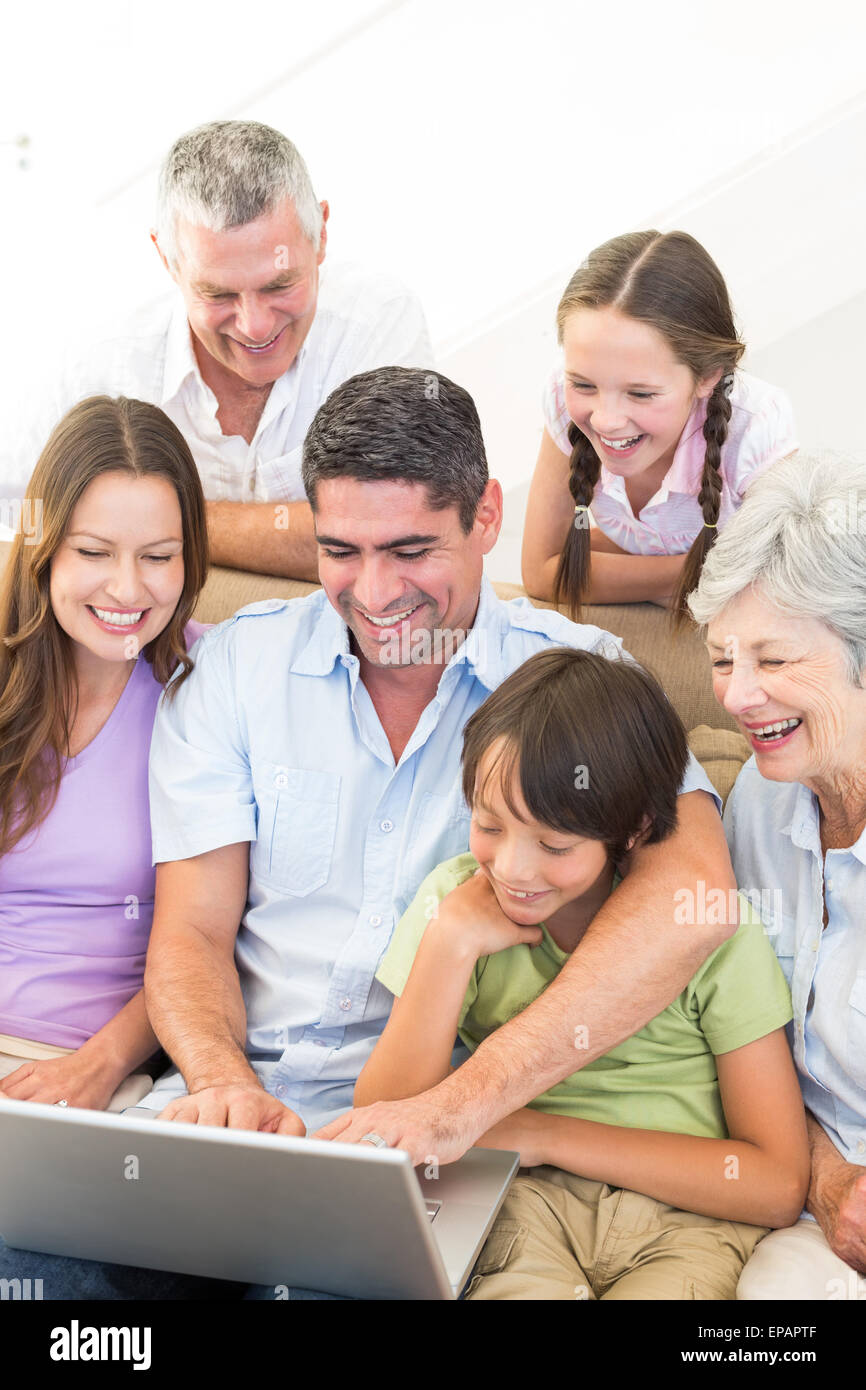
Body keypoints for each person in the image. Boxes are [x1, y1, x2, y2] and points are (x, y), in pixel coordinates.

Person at [356, 647, 808, 1299]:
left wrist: (541, 1134)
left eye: (555, 845)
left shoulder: (712, 931)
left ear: (633, 830)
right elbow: (382, 1126)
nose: (512, 868)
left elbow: (775, 1185)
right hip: (522, 1208)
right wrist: (449, 944)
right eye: (489, 826)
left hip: (688, 1223)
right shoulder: (457, 904)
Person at [1, 120, 433, 581]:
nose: (255, 326)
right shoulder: (101, 365)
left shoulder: (375, 323)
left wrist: (146, 523)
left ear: (322, 234)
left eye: (280, 284)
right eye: (219, 295)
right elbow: (13, 516)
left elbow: (390, 532)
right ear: (168, 260)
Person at [688, 449, 866, 1300]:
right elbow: (736, 1050)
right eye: (723, 659)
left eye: (774, 659)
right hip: (813, 1206)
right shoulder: (760, 802)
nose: (736, 695)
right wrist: (830, 1182)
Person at [0, 395, 208, 1113]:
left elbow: (221, 938)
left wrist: (102, 1064)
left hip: (102, 1071)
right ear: (45, 546)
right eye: (93, 553)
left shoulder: (208, 688)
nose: (126, 589)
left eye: (157, 557)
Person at [520, 230, 797, 620]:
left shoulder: (755, 426)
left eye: (641, 394)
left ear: (708, 376)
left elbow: (774, 590)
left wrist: (634, 576)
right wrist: (689, 576)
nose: (606, 420)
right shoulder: (560, 392)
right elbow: (542, 570)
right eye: (584, 385)